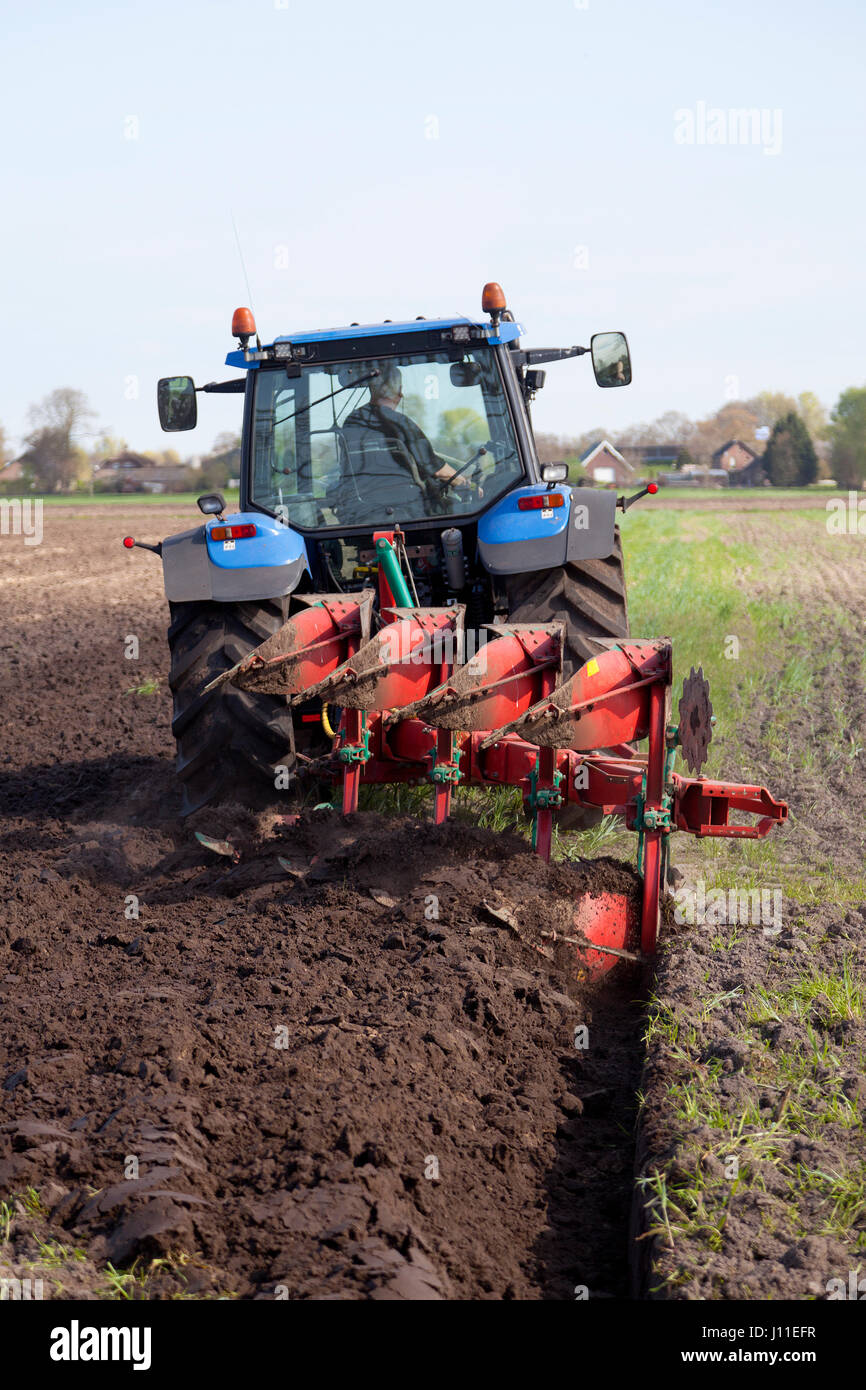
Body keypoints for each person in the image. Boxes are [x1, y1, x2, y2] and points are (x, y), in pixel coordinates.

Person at [340, 363, 466, 519]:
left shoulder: (352, 422)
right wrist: (465, 484)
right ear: (396, 391)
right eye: (399, 389)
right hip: (410, 510)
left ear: (372, 388)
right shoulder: (401, 424)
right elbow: (435, 468)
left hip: (362, 512)